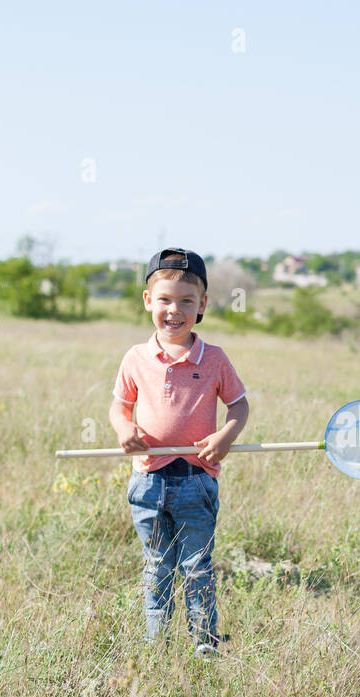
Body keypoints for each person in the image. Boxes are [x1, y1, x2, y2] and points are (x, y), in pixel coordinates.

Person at [109, 248, 249, 655]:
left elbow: (239, 405)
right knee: (157, 566)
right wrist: (124, 428)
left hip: (196, 481)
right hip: (148, 480)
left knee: (196, 567)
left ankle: (204, 640)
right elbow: (120, 407)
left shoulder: (215, 359)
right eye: (166, 299)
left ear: (202, 304)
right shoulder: (136, 358)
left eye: (187, 300)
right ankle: (156, 644)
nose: (175, 309)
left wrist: (226, 435)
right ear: (148, 301)